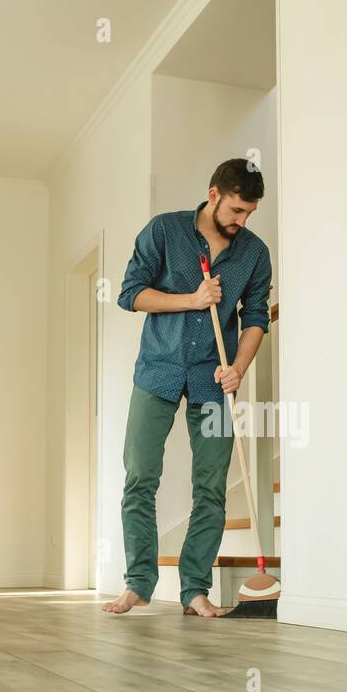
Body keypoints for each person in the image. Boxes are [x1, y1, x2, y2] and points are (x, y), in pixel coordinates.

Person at [101, 159, 273, 617]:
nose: (243, 221)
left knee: (211, 486)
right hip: (156, 371)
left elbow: (256, 318)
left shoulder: (254, 253)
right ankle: (138, 583)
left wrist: (238, 366)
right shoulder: (163, 231)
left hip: (214, 380)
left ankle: (195, 588)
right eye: (237, 210)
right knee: (140, 477)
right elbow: (130, 293)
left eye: (249, 213)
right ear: (213, 194)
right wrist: (192, 300)